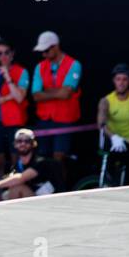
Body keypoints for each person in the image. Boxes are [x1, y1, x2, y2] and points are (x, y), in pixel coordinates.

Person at [31, 30, 82, 176]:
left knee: (59, 160)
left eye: (46, 51)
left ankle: (60, 190)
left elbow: (66, 94)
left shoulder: (74, 64)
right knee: (42, 158)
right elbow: (35, 95)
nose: (44, 55)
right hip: (45, 119)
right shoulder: (39, 67)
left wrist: (46, 91)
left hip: (65, 119)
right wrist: (57, 92)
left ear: (55, 46)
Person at [0, 39, 29, 172]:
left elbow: (19, 97)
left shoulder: (21, 72)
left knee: (16, 159)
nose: (2, 57)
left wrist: (8, 77)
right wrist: (8, 98)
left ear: (12, 54)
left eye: (6, 53)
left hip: (15, 122)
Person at [0, 128, 64, 202]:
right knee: (3, 195)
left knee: (16, 188)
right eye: (19, 141)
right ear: (14, 144)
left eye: (27, 141)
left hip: (50, 201)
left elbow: (21, 178)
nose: (23, 144)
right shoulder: (17, 165)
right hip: (34, 198)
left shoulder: (40, 162)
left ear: (33, 144)